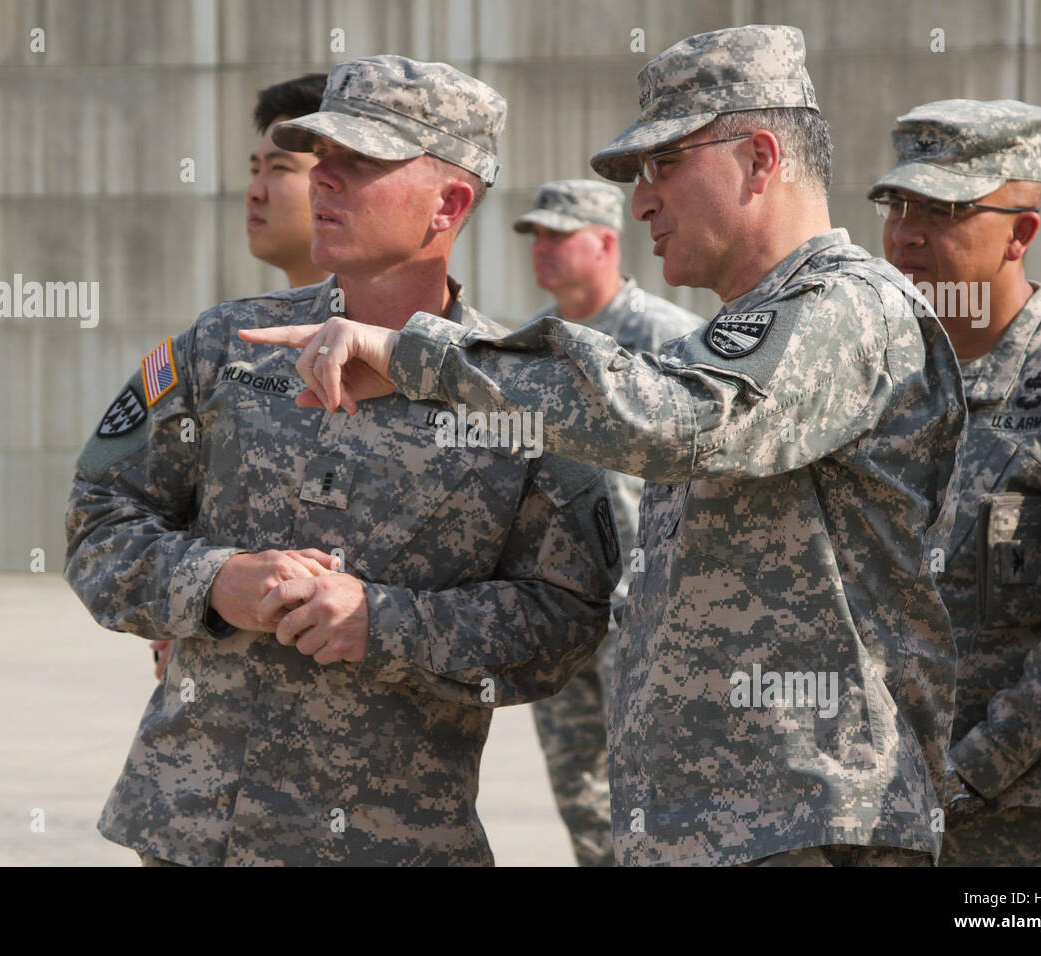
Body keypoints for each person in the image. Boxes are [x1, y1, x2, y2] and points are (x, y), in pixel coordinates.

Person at [242, 24, 968, 867]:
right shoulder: (748, 329)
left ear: (762, 159)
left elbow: (686, 420)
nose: (642, 201)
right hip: (729, 831)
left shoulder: (849, 306)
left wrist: (417, 354)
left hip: (812, 825)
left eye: (665, 165)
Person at [65, 54, 617, 866]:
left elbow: (565, 622)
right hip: (190, 832)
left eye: (359, 163)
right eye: (321, 157)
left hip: (391, 844)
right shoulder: (227, 345)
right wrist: (215, 580)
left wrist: (385, 623)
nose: (324, 179)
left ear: (449, 203)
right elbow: (96, 524)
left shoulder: (519, 397)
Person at [869, 98, 1041, 866]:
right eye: (898, 204)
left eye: (945, 209)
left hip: (1040, 834)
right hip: (889, 820)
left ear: (1021, 232)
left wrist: (971, 773)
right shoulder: (884, 385)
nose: (907, 234)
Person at [514, 178, 701, 866]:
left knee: (651, 800)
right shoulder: (539, 345)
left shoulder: (669, 337)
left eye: (559, 236)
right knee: (582, 796)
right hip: (560, 610)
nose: (543, 250)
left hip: (643, 615)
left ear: (606, 242)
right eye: (536, 236)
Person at [149, 73, 330, 679]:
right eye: (254, 168)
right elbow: (113, 510)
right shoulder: (222, 342)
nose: (254, 191)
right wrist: (202, 590)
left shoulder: (440, 361)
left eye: (279, 169)